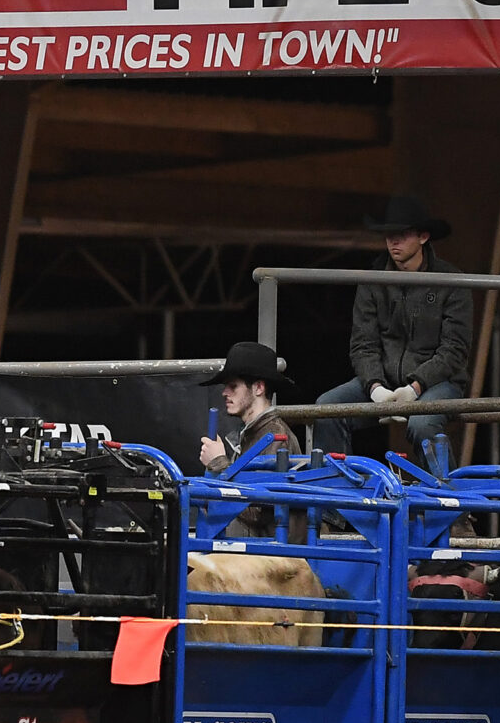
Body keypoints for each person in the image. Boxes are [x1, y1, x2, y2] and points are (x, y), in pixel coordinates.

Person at [312, 197, 473, 468]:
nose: (393, 241)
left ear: (423, 237)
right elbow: (363, 344)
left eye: (402, 234)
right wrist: (375, 387)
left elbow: (454, 351)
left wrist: (415, 386)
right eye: (389, 235)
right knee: (327, 409)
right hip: (383, 382)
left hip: (438, 383)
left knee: (423, 424)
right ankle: (336, 503)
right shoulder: (372, 280)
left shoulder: (451, 282)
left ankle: (448, 505)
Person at [198, 341, 304, 541]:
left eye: (233, 386)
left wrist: (219, 464)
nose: (224, 393)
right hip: (263, 548)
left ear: (258, 388)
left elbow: (256, 511)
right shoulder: (254, 434)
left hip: (272, 553)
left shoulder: (276, 436)